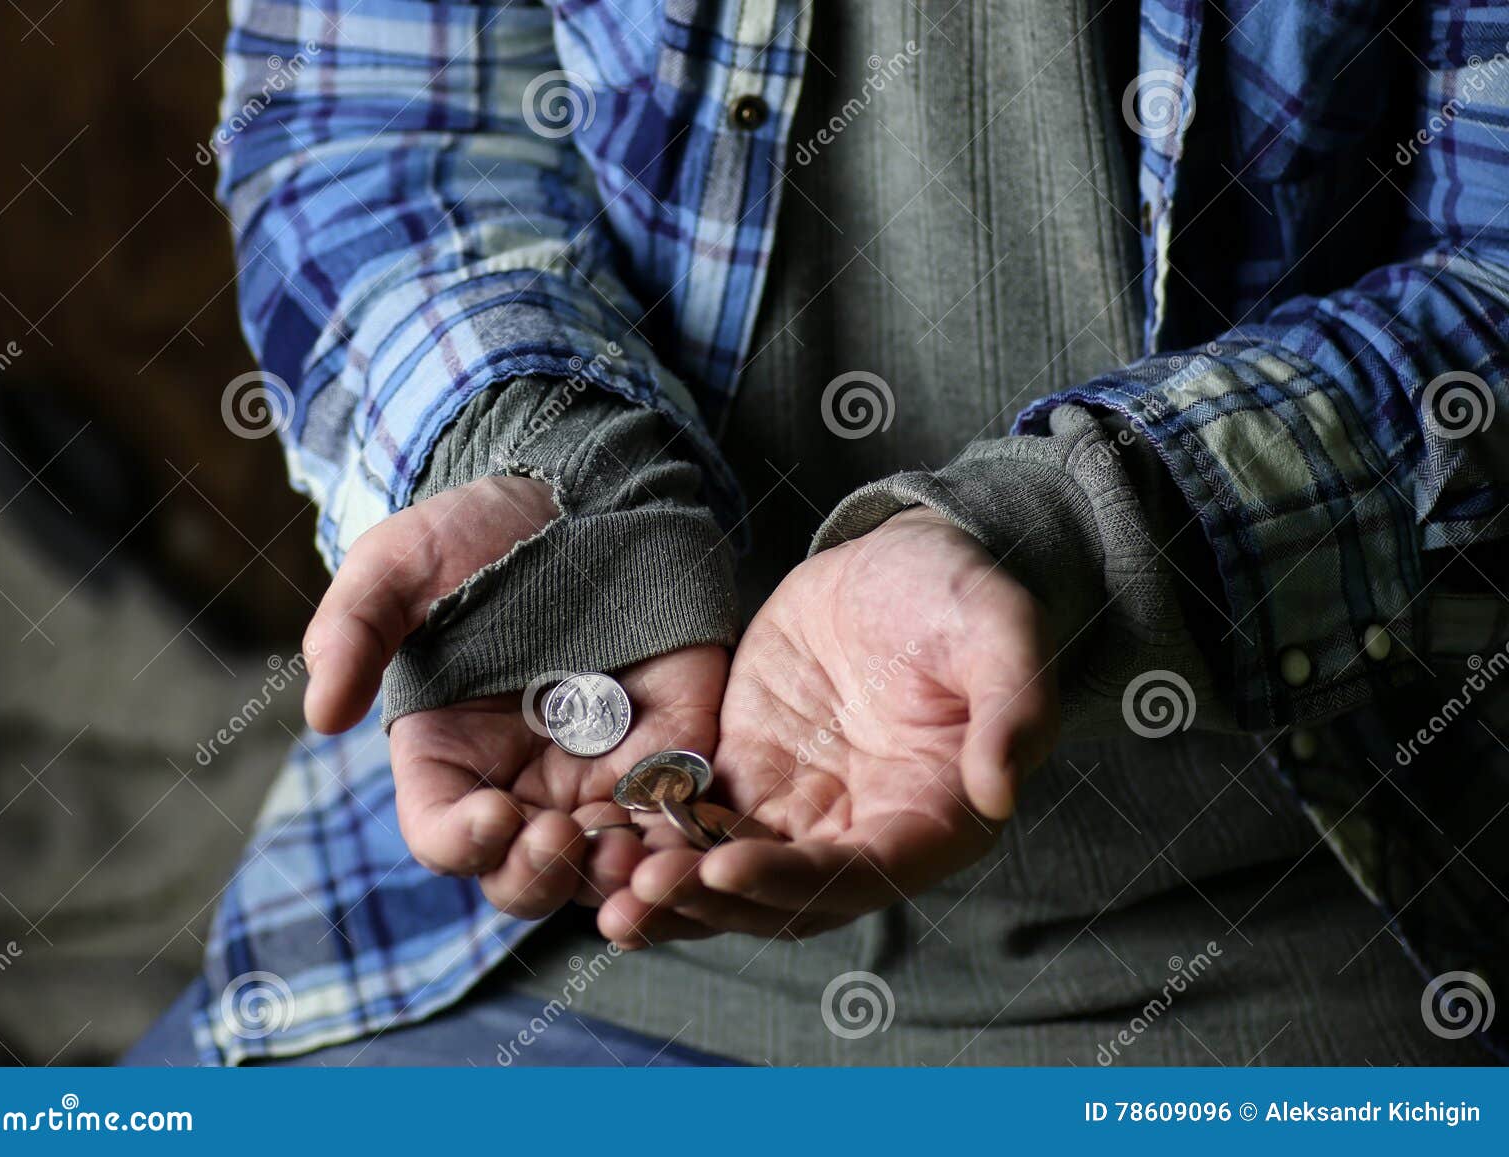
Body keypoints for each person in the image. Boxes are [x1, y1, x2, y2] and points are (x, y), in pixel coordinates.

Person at [125, 0, 1509, 1066]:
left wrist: (1078, 533)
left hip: (1296, 926)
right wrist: (544, 454)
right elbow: (367, 120)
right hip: (511, 927)